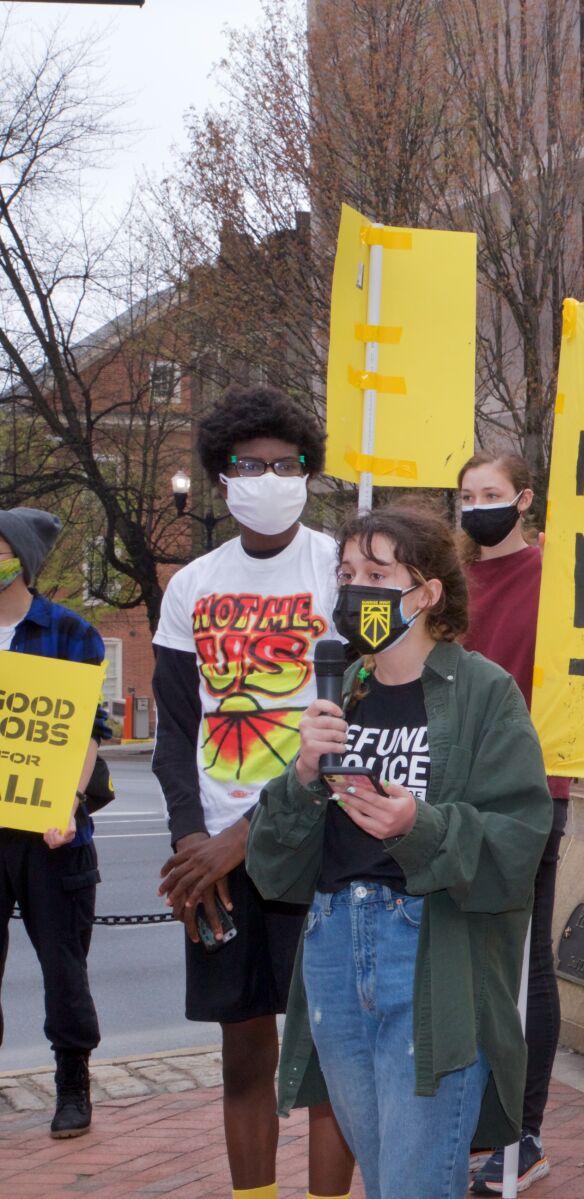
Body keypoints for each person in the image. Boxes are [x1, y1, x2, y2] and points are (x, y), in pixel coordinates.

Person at [246, 502, 552, 1199]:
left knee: (415, 1183)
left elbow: (518, 840)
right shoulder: (341, 693)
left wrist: (418, 823)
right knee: (386, 1178)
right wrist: (299, 778)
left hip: (427, 952)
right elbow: (273, 868)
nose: (356, 589)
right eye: (347, 572)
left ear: (427, 592)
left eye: (378, 572)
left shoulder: (483, 693)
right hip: (331, 945)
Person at [150, 386, 354, 1199]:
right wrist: (190, 846)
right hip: (214, 854)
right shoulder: (190, 585)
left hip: (316, 840)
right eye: (249, 464)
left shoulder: (339, 568)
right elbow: (172, 732)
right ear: (219, 476)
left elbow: (356, 720)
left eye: (286, 464)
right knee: (244, 1054)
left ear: (308, 472)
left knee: (330, 1051)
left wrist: (246, 836)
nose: (268, 477)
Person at [454, 452, 569, 1196]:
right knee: (464, 961)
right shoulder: (447, 580)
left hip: (535, 790)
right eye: (466, 494)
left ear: (523, 499)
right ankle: (475, 1119)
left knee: (526, 962)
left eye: (491, 493)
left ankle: (522, 1133)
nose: (477, 505)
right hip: (454, 796)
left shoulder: (558, 572)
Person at [0, 507, 111, 1138]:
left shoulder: (72, 634)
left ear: (21, 557)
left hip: (51, 831)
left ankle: (74, 1085)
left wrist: (65, 803)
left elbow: (85, 730)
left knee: (64, 966)